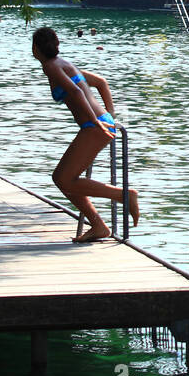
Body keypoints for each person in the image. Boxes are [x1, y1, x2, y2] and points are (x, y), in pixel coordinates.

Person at [32, 27, 138, 243]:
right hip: (97, 124)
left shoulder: (50, 66)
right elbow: (101, 82)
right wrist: (110, 117)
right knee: (63, 179)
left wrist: (98, 121)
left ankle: (124, 196)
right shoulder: (65, 64)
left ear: (35, 49)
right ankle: (98, 225)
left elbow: (76, 92)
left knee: (64, 179)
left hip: (93, 126)